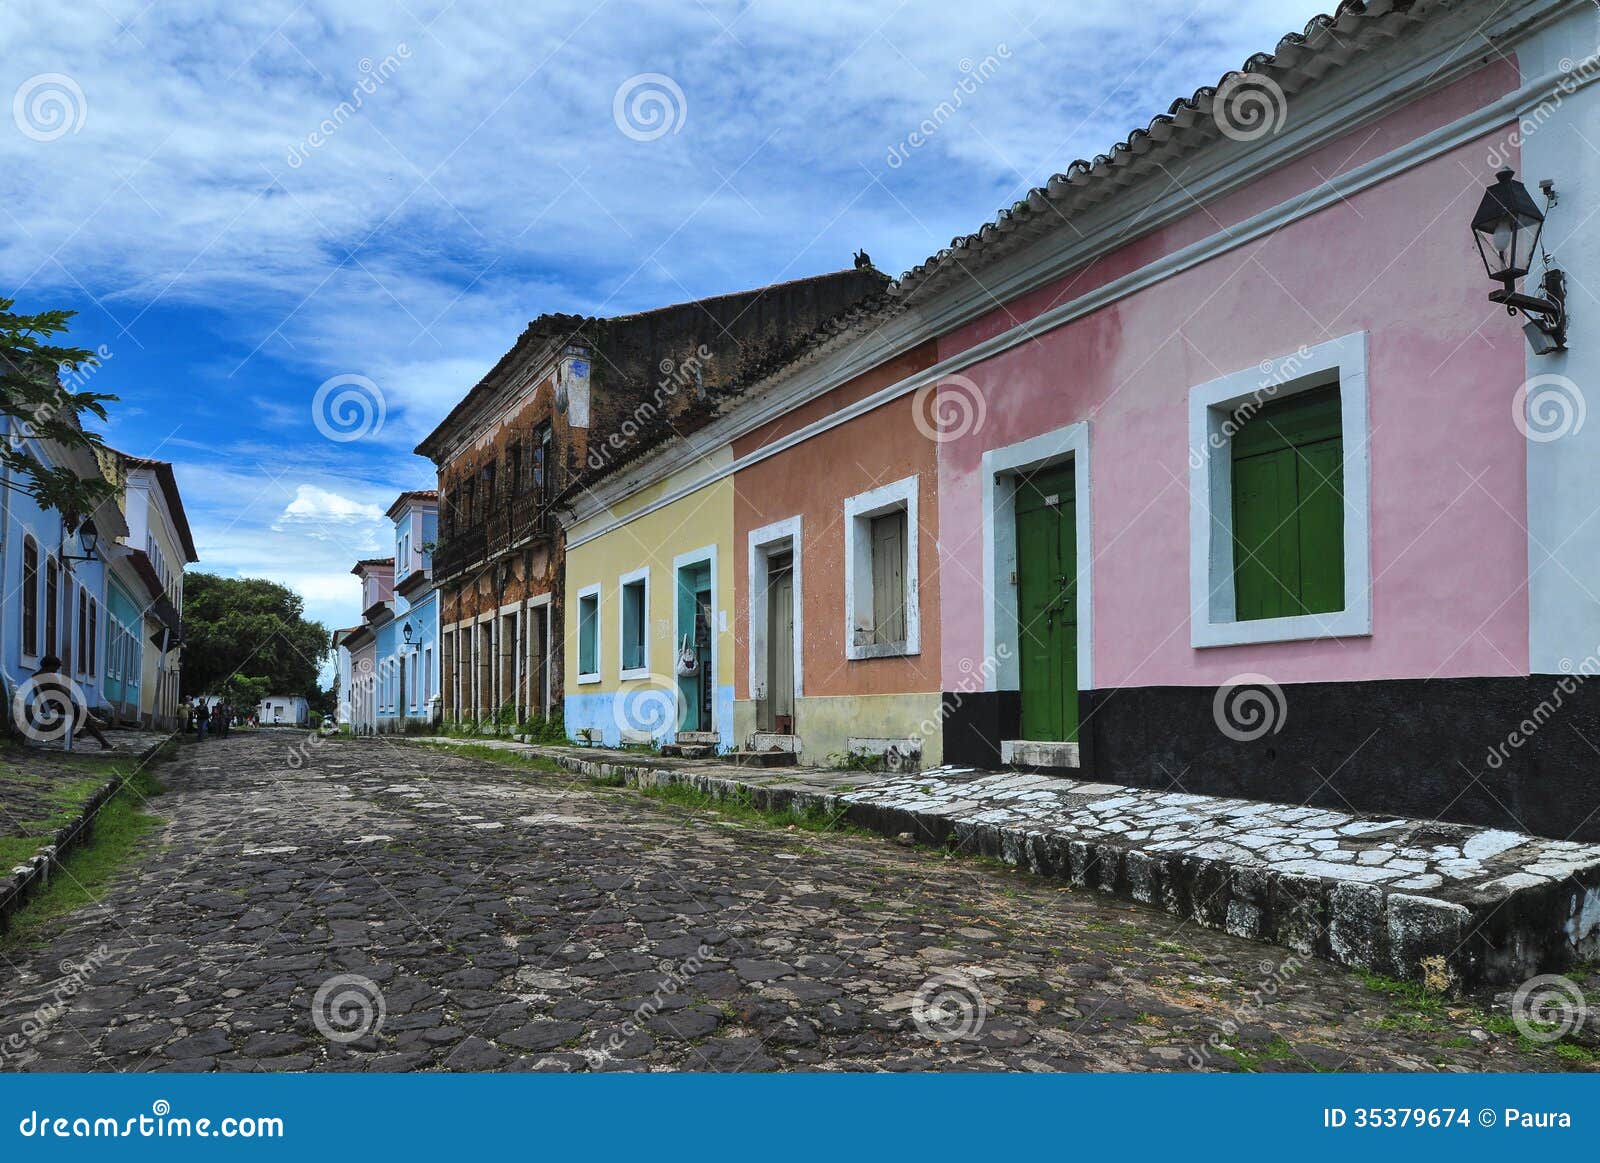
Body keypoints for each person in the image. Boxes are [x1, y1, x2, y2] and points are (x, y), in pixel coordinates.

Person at [31, 655, 112, 750]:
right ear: (49, 666)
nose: (55, 671)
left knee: (80, 711)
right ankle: (102, 740)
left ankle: (94, 724)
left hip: (49, 705)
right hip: (54, 707)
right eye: (55, 668)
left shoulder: (35, 676)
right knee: (82, 715)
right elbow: (64, 693)